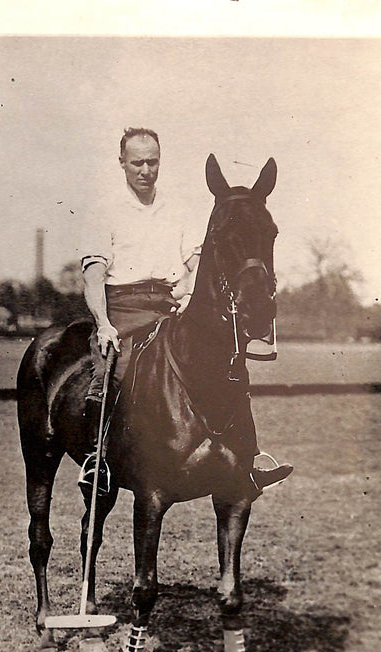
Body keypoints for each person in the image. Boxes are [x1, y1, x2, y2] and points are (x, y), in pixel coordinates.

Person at [79, 127, 292, 495]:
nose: (146, 169)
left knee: (228, 363)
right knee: (116, 369)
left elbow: (195, 259)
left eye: (153, 161)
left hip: (168, 304)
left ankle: (248, 460)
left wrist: (194, 291)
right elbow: (94, 274)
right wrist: (103, 323)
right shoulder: (105, 210)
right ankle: (99, 461)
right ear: (122, 163)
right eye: (137, 162)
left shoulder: (176, 207)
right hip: (123, 308)